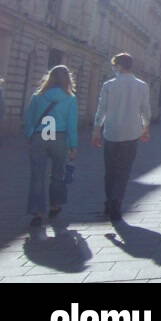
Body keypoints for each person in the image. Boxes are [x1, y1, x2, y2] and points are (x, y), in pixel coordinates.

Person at [91, 53, 151, 223]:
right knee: (123, 171)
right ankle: (116, 203)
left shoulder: (109, 85)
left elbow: (101, 109)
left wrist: (96, 130)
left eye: (114, 66)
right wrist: (146, 128)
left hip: (111, 132)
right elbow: (145, 109)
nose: (113, 69)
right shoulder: (142, 86)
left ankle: (109, 201)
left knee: (110, 171)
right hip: (132, 133)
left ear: (118, 66)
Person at [23, 65, 79, 226]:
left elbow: (29, 119)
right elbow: (71, 125)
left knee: (37, 176)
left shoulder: (37, 96)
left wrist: (29, 136)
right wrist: (73, 146)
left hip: (39, 137)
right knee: (58, 174)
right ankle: (55, 205)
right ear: (67, 80)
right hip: (59, 138)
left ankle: (37, 211)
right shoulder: (70, 99)